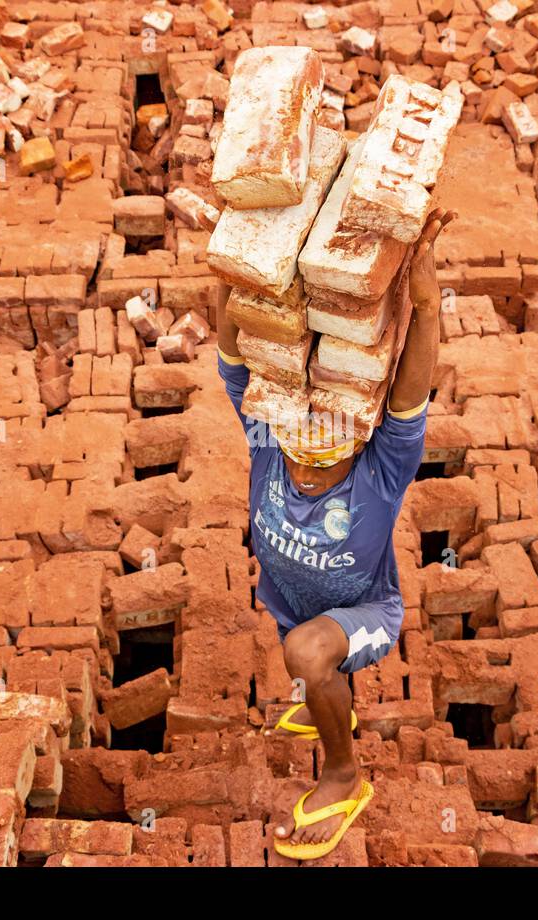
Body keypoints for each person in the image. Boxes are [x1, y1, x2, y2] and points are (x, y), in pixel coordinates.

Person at [216, 208, 456, 859]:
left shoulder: (383, 467)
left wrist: (425, 302)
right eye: (297, 452)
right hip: (290, 604)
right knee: (305, 652)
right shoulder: (269, 435)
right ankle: (329, 702)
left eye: (327, 458)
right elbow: (235, 352)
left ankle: (344, 775)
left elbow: (409, 389)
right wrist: (241, 263)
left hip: (365, 612)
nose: (306, 467)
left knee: (308, 654)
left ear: (359, 442)